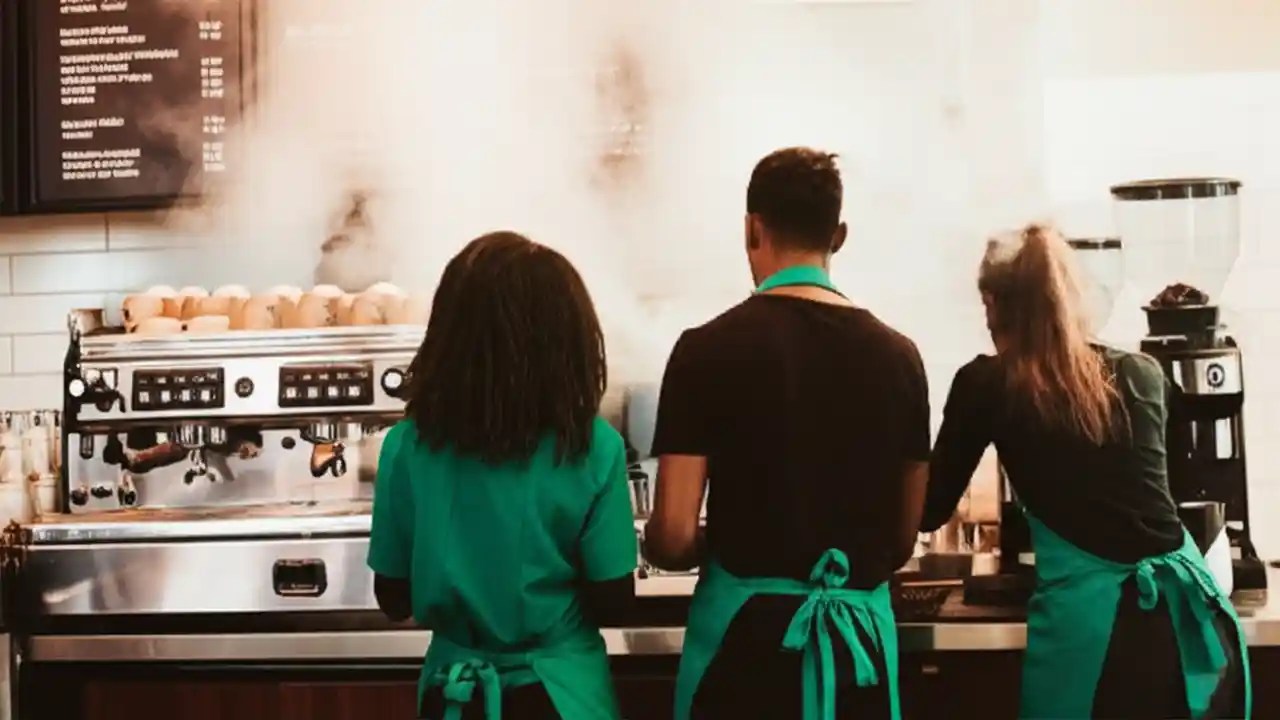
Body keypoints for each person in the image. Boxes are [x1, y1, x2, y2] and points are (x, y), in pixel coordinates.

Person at [644, 147, 930, 720]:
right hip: (859, 658)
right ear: (839, 235)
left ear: (753, 229)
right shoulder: (901, 357)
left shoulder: (705, 349)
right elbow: (901, 541)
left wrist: (726, 543)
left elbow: (672, 538)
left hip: (743, 654)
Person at [922, 224, 1250, 719]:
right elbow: (1170, 494)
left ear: (991, 302)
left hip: (1103, 642)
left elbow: (929, 510)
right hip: (1195, 624)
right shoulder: (1142, 372)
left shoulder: (987, 383)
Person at [367, 231, 638, 720]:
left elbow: (392, 595)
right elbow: (614, 599)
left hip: (454, 696)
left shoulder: (406, 447)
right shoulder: (594, 448)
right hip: (561, 694)